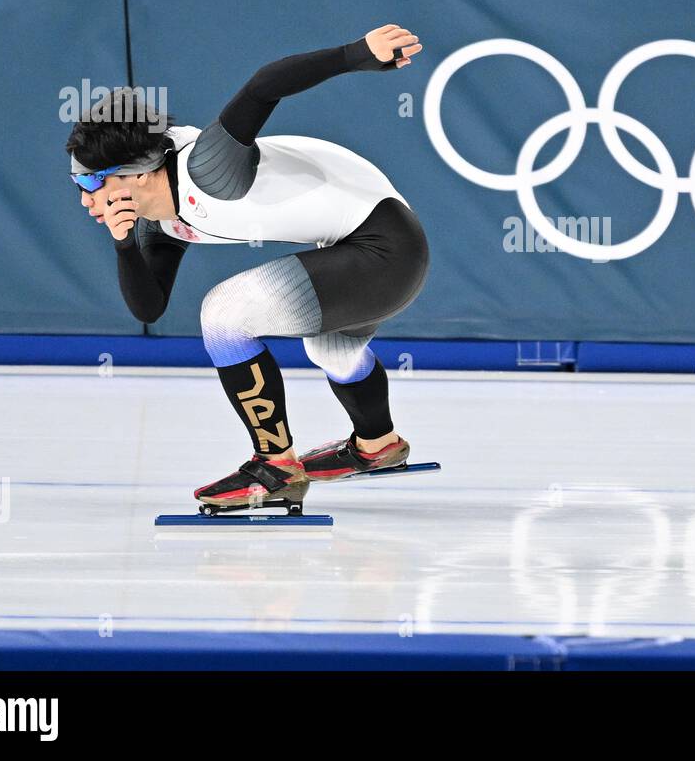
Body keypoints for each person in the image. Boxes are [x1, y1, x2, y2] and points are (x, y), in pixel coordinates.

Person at [65, 25, 429, 513]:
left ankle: (276, 465)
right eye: (78, 181)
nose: (85, 198)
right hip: (377, 254)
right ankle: (377, 443)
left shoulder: (206, 169)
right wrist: (124, 245)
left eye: (92, 181)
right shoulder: (161, 220)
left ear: (140, 171)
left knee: (224, 313)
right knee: (332, 350)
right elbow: (148, 306)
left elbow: (265, 84)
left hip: (383, 249)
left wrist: (357, 53)